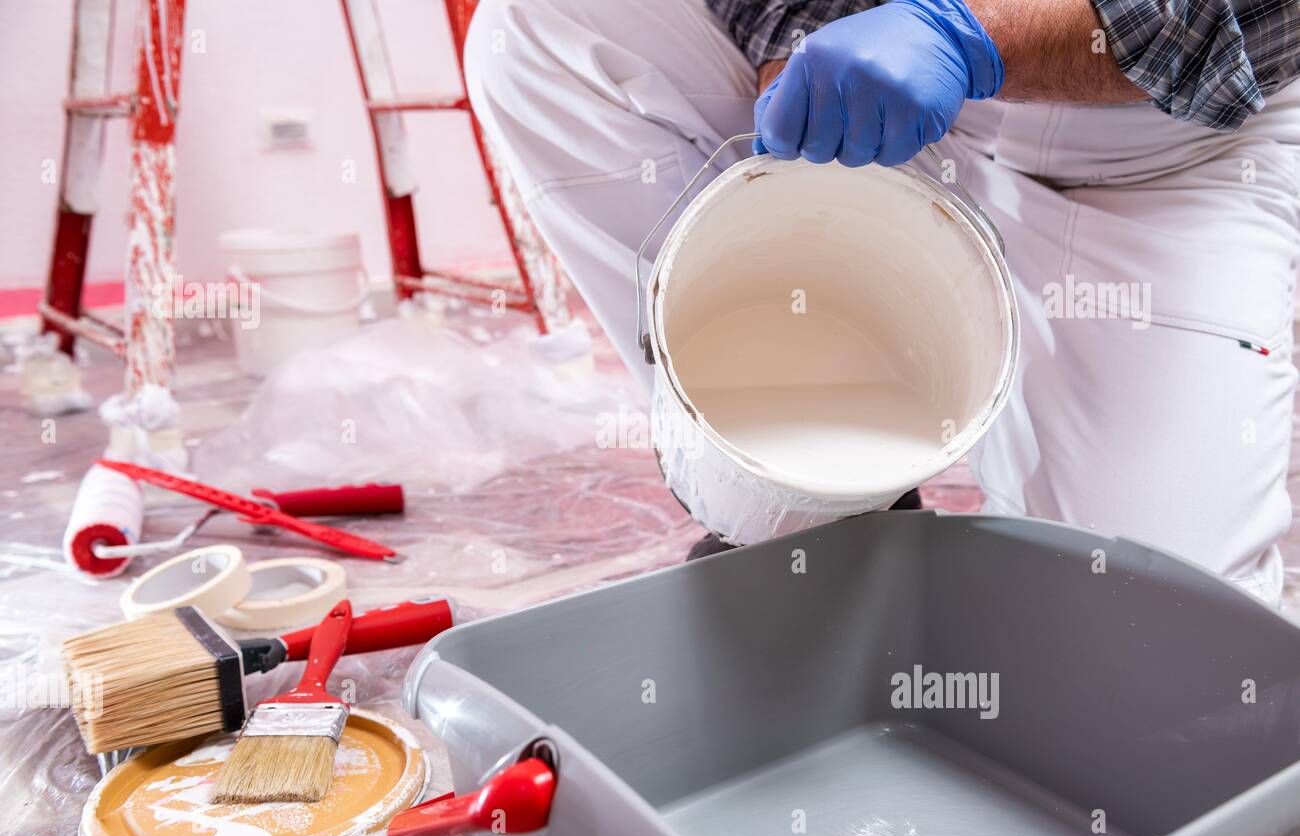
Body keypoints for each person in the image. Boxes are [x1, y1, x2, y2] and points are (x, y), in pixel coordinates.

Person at [464, 0, 1300, 605]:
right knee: (539, 25)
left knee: (1167, 660)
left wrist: (964, 37)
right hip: (916, 96)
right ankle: (817, 510)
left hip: (1170, 152)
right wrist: (802, 45)